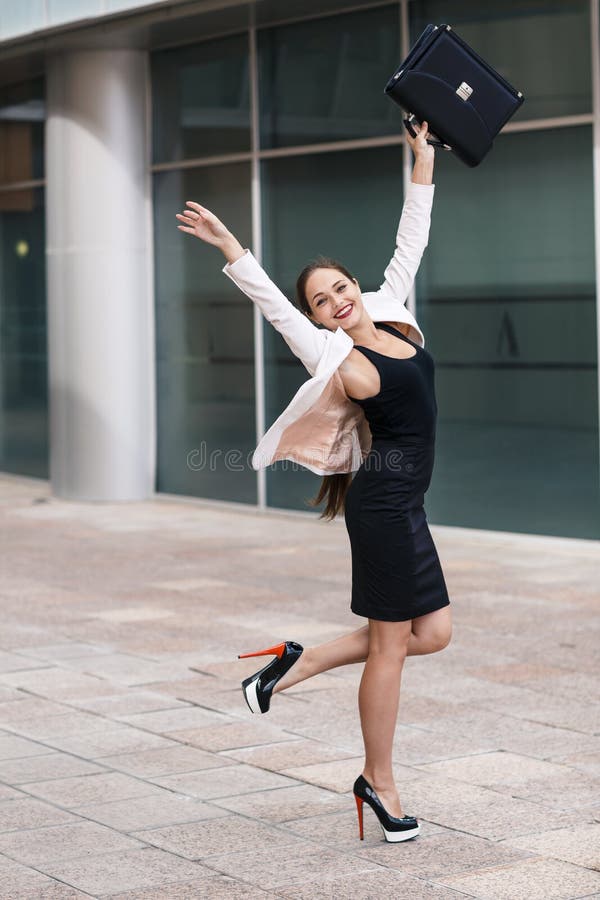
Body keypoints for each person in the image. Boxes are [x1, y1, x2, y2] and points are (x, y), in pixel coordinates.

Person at [176, 121, 452, 844]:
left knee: (436, 633)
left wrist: (422, 163)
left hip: (406, 502)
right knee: (393, 645)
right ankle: (379, 785)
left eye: (339, 288)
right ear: (318, 318)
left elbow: (409, 243)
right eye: (323, 301)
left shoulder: (391, 310)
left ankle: (293, 662)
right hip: (385, 505)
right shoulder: (337, 356)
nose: (336, 301)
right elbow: (272, 303)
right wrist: (233, 248)